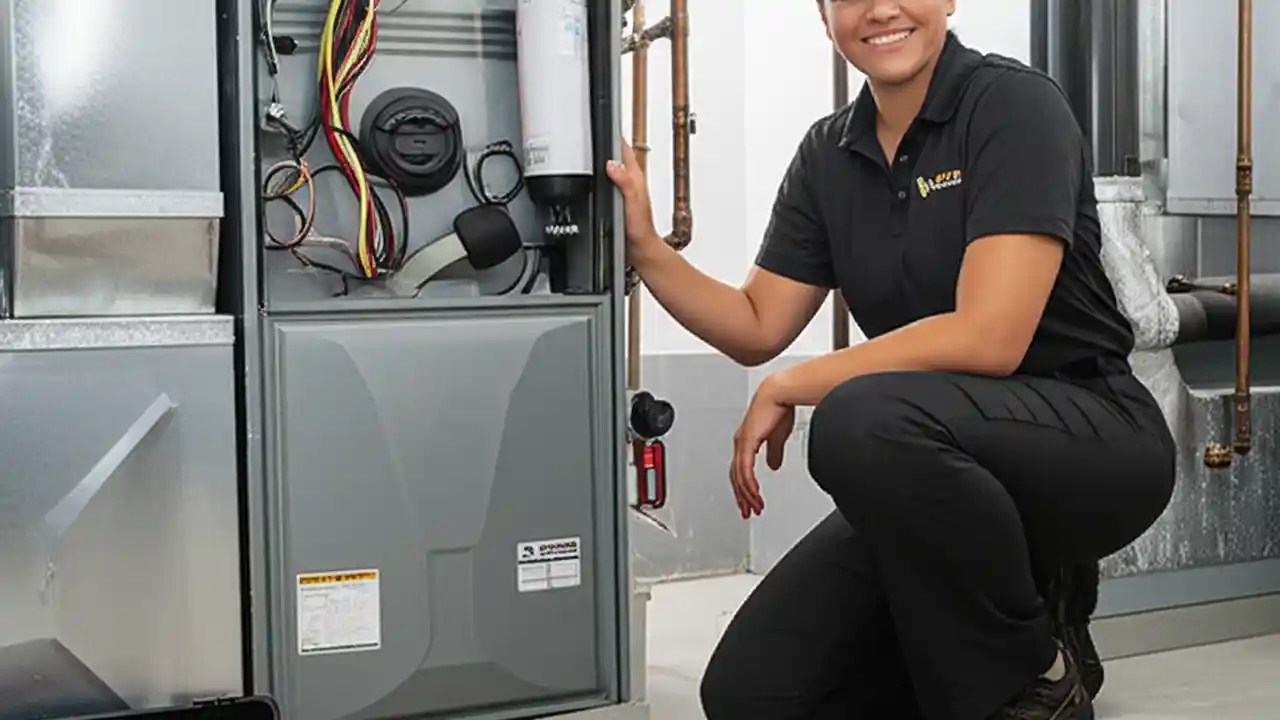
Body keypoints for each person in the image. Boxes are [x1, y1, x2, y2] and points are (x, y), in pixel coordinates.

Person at [605, 1, 1176, 718]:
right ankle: (1029, 623)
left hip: (1092, 440)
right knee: (754, 696)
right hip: (934, 467)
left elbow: (989, 337)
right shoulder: (828, 154)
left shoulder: (1013, 106)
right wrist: (647, 248)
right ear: (823, 14)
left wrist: (794, 385)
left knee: (859, 419)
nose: (879, 8)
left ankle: (1034, 679)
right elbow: (756, 323)